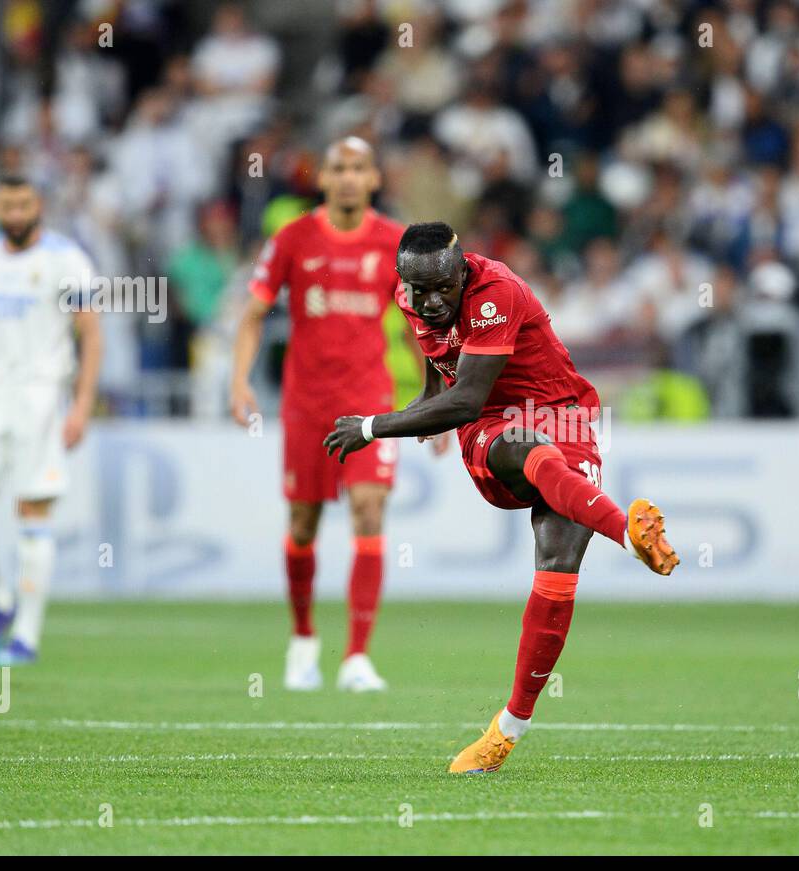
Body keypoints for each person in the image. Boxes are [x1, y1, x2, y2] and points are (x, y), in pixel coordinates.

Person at [324, 223, 679, 774]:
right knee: (525, 445)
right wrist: (425, 406)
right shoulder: (411, 296)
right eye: (420, 291)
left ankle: (506, 731)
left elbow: (463, 396)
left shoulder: (497, 293)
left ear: (462, 270)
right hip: (495, 424)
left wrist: (373, 427)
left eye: (444, 287)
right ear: (404, 282)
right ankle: (629, 535)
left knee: (558, 569)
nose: (432, 301)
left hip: (566, 415)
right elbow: (451, 382)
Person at [230, 137, 418, 693]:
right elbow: (254, 312)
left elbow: (417, 327)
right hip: (307, 406)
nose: (348, 178)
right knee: (304, 524)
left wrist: (438, 400)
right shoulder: (292, 238)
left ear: (375, 179)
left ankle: (357, 656)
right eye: (338, 168)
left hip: (370, 405)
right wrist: (238, 379)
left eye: (359, 168)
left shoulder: (393, 243)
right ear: (323, 178)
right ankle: (304, 640)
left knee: (368, 509)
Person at [0, 176, 102, 664]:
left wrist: (80, 405)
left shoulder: (66, 260)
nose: (14, 213)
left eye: (23, 204)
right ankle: (0, 598)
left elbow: (91, 335)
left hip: (39, 396)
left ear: (38, 205)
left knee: (33, 512)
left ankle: (27, 637)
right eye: (6, 204)